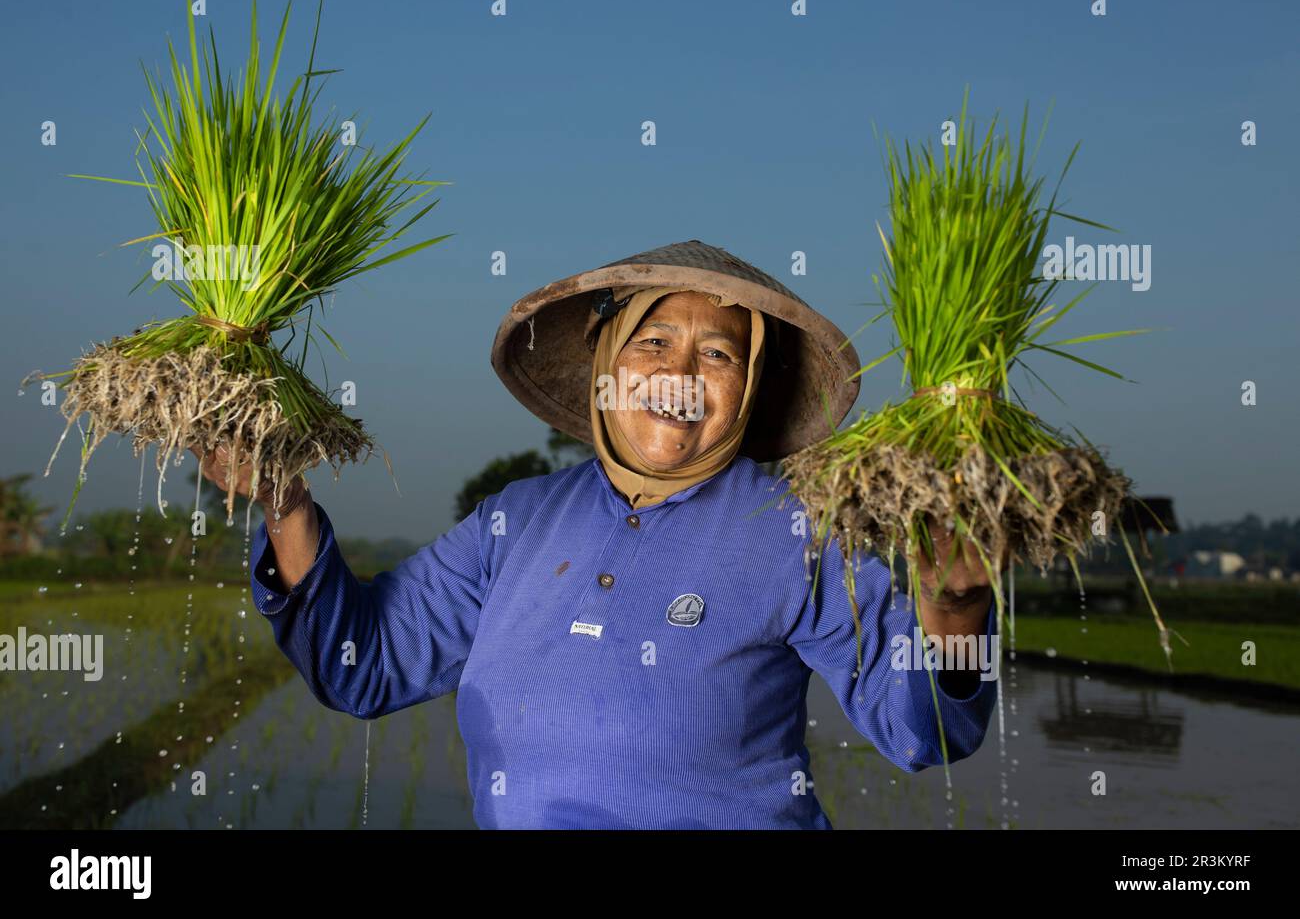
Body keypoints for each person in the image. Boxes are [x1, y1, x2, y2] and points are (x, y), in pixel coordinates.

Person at [200, 240, 999, 829]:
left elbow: (926, 729)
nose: (681, 374)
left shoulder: (800, 529)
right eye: (654, 343)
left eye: (717, 353)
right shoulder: (514, 521)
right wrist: (284, 503)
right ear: (609, 365)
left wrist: (956, 607)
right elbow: (360, 667)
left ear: (749, 388)